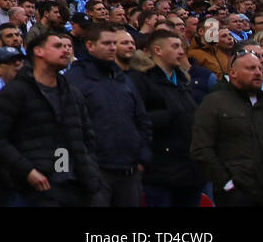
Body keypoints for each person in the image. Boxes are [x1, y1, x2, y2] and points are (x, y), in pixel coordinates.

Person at [0, 27, 101, 207]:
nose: (65, 50)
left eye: (66, 46)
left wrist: (89, 170)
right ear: (39, 51)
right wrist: (28, 171)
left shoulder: (72, 92)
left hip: (76, 185)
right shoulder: (16, 92)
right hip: (37, 189)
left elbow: (87, 136)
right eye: (57, 46)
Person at [65, 22, 152, 206]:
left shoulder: (124, 79)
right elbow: (67, 126)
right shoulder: (75, 79)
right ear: (90, 46)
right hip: (96, 171)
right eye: (106, 44)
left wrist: (142, 155)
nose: (112, 48)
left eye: (114, 43)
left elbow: (142, 119)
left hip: (129, 170)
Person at [132, 29, 203, 207]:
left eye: (181, 46)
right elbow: (136, 120)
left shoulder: (183, 82)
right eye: (175, 46)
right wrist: (167, 116)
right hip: (159, 172)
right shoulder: (142, 80)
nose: (181, 51)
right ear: (158, 50)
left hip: (189, 171)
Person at [190, 51, 263, 206]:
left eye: (259, 68)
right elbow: (201, 149)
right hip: (236, 192)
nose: (257, 72)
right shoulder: (215, 102)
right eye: (250, 68)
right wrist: (226, 184)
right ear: (233, 73)